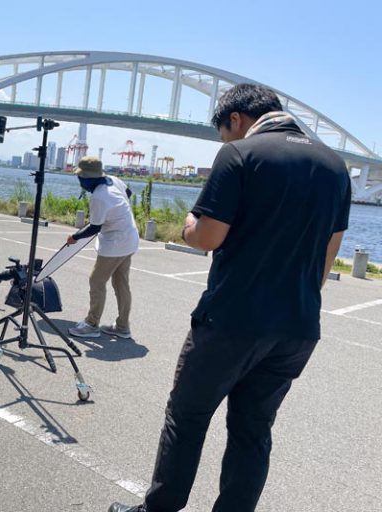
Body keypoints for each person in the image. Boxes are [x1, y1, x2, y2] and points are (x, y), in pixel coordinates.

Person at [109, 84, 351, 512]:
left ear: (236, 119)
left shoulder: (241, 154)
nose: (226, 140)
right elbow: (328, 254)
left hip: (232, 321)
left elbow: (207, 237)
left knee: (187, 417)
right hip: (297, 326)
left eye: (224, 132)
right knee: (253, 430)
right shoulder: (334, 165)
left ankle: (159, 509)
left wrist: (188, 223)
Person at [66, 156, 139, 340]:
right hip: (130, 237)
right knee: (121, 283)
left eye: (80, 178)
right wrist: (118, 212)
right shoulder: (113, 180)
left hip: (115, 243)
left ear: (87, 178)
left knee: (96, 281)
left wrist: (74, 237)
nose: (79, 181)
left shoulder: (99, 196)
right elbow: (128, 193)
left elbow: (94, 227)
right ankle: (122, 327)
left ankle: (91, 324)